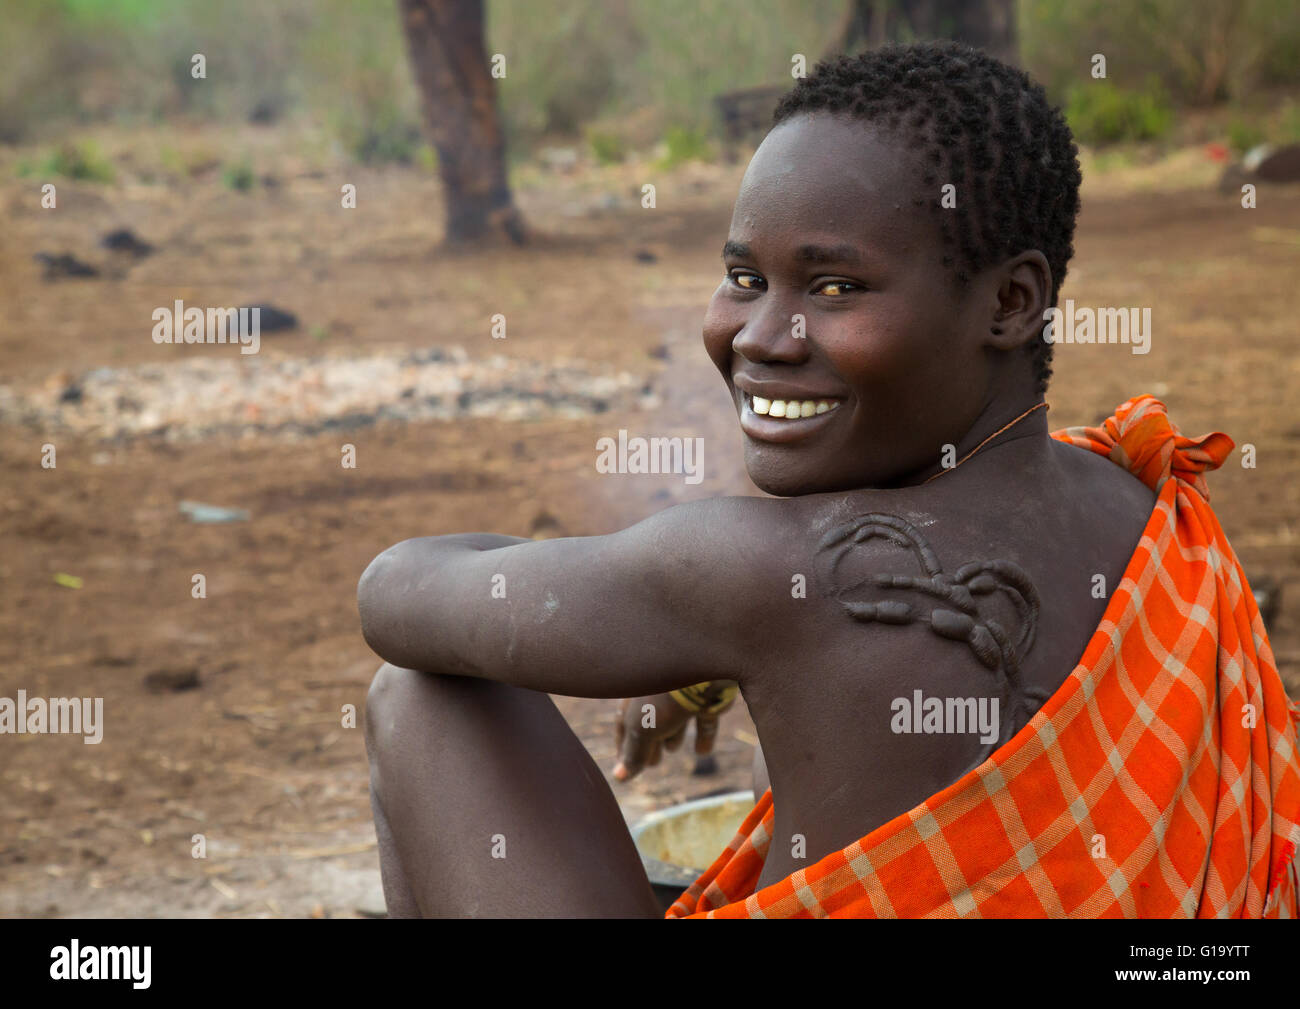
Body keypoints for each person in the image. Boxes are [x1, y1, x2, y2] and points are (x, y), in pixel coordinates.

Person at [358, 41, 1300, 918]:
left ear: (1011, 302)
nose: (764, 337)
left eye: (834, 288)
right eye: (743, 276)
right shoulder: (1145, 503)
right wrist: (703, 649)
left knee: (424, 695)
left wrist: (685, 612)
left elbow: (395, 592)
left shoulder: (763, 570)